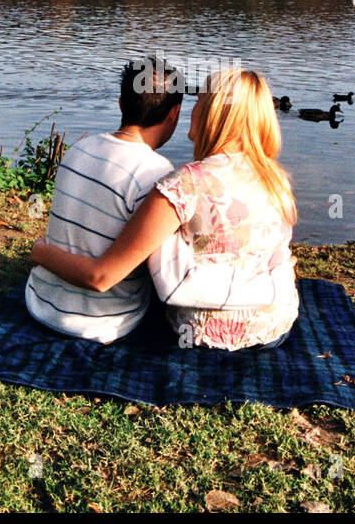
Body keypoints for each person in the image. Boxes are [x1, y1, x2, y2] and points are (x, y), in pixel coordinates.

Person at [30, 66, 299, 351]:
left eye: (199, 102)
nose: (191, 111)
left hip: (205, 335)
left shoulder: (181, 184)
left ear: (212, 114)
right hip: (274, 327)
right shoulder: (275, 178)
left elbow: (108, 276)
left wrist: (40, 252)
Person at [24, 56, 183, 343]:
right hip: (101, 324)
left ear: (121, 104)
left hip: (39, 303)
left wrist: (41, 251)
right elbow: (102, 278)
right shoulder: (157, 173)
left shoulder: (79, 149)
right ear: (174, 114)